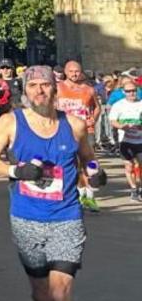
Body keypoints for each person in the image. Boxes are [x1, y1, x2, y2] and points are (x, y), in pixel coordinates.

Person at [0, 65, 103, 301]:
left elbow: (88, 160)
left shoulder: (74, 125)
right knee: (42, 294)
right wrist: (18, 172)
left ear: (54, 89)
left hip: (67, 217)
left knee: (59, 292)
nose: (40, 90)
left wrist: (96, 174)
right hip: (26, 219)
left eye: (45, 85)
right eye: (33, 85)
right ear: (25, 91)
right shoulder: (10, 122)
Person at [56, 58, 102, 212]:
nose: (74, 74)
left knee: (90, 163)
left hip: (86, 131)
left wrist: (92, 120)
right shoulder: (58, 88)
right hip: (66, 131)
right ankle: (80, 194)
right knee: (72, 165)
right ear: (65, 72)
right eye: (71, 71)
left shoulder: (88, 89)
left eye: (77, 71)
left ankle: (90, 197)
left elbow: (97, 108)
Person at [107, 78, 142, 201]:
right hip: (125, 141)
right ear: (124, 92)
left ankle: (140, 188)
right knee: (129, 166)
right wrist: (122, 126)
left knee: (140, 165)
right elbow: (112, 121)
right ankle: (133, 189)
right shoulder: (119, 105)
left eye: (133, 91)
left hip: (140, 140)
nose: (131, 93)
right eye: (128, 91)